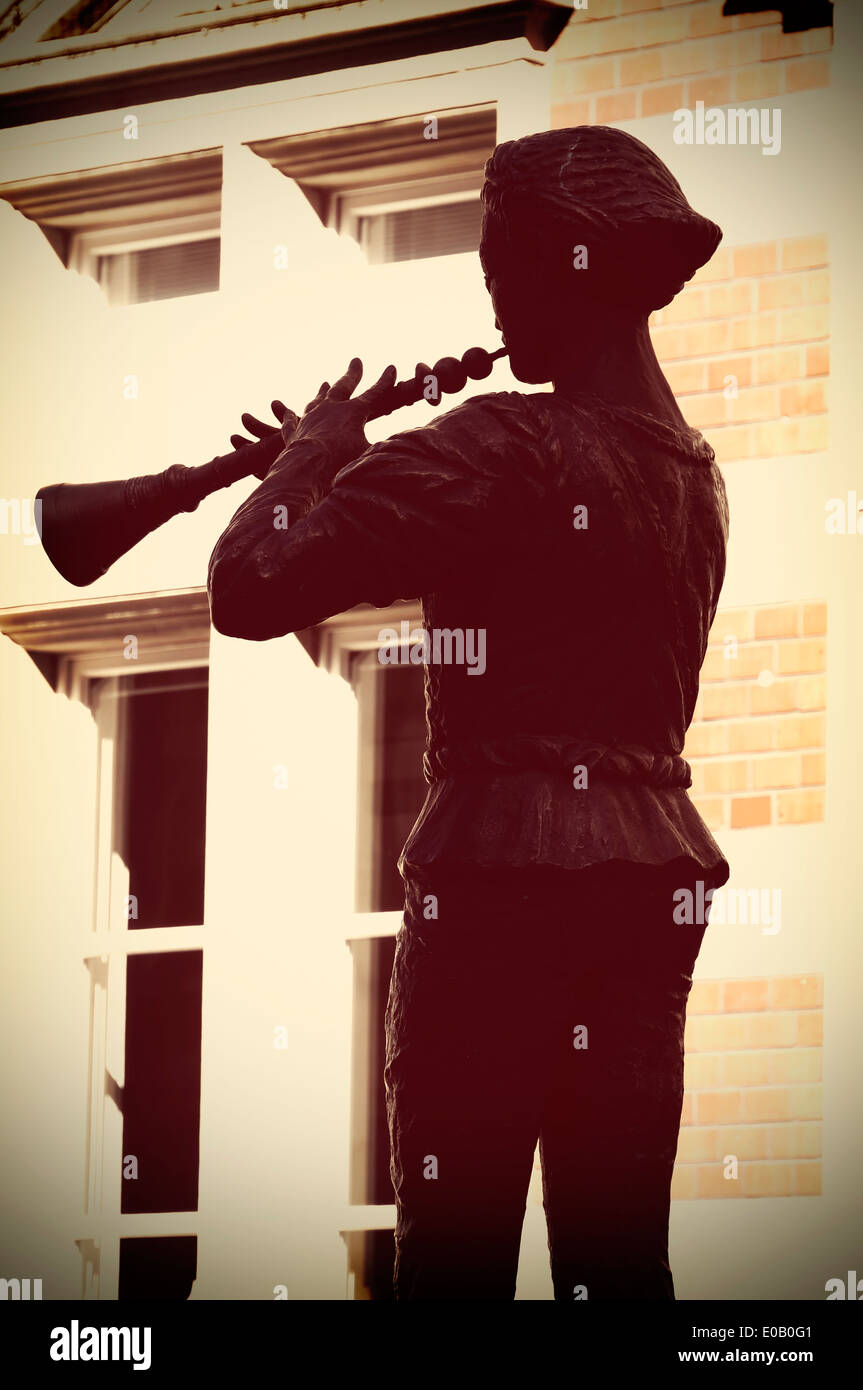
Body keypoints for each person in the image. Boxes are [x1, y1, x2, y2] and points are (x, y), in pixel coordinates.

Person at [208, 125, 730, 1301]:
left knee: (449, 1256)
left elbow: (246, 587)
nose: (489, 292)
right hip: (649, 879)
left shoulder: (509, 446)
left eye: (504, 261)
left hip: (497, 873)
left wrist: (303, 464)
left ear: (578, 260)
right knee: (617, 1262)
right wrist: (331, 473)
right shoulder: (696, 475)